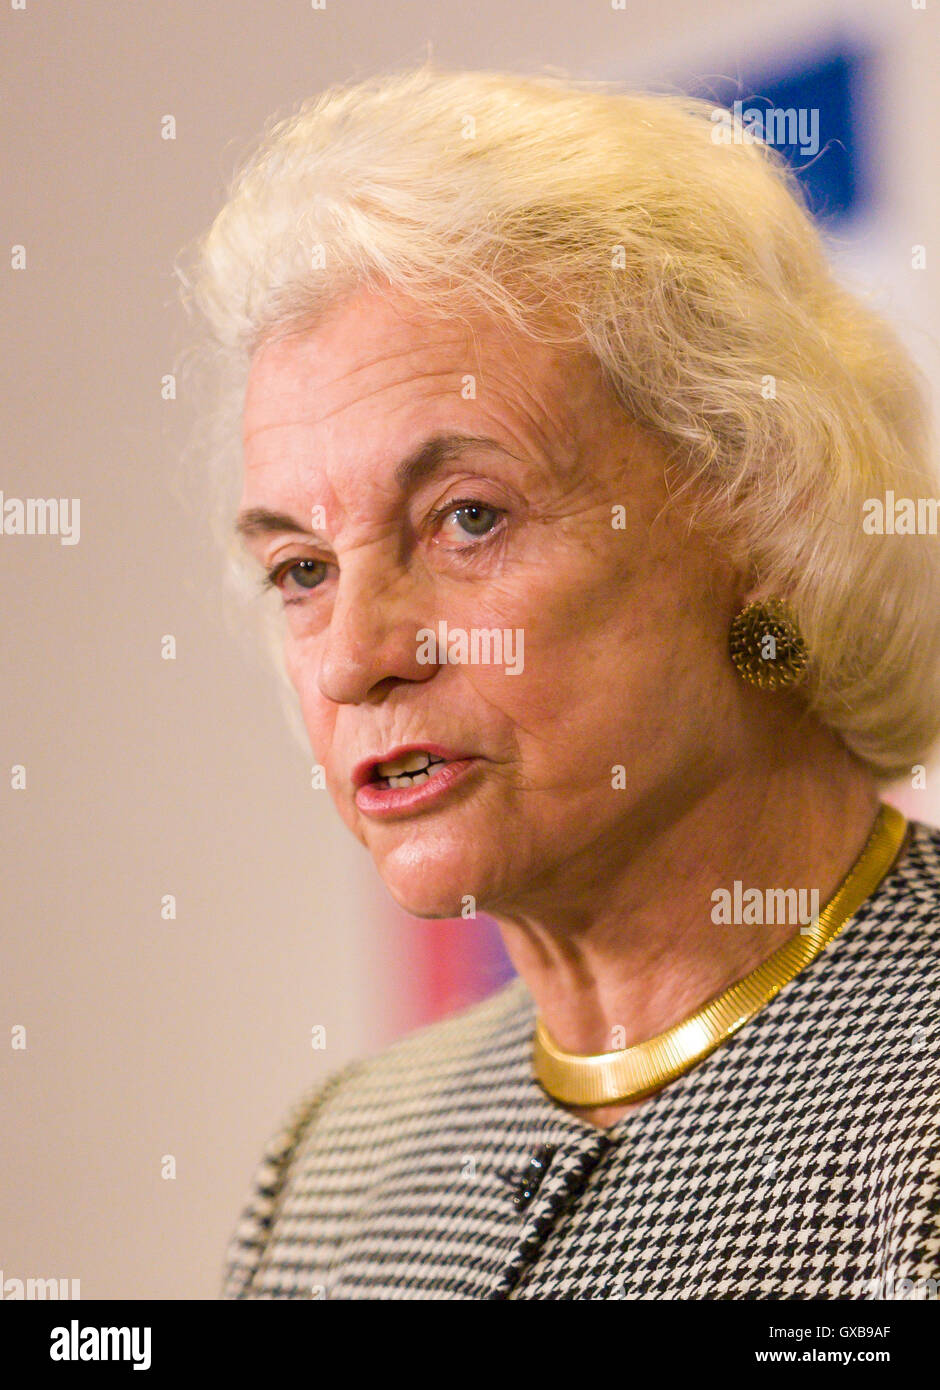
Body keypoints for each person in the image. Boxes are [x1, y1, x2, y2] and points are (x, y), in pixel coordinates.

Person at [180, 66, 940, 1299]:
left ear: (761, 510)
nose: (353, 655)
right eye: (302, 567)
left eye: (466, 516)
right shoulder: (329, 1172)